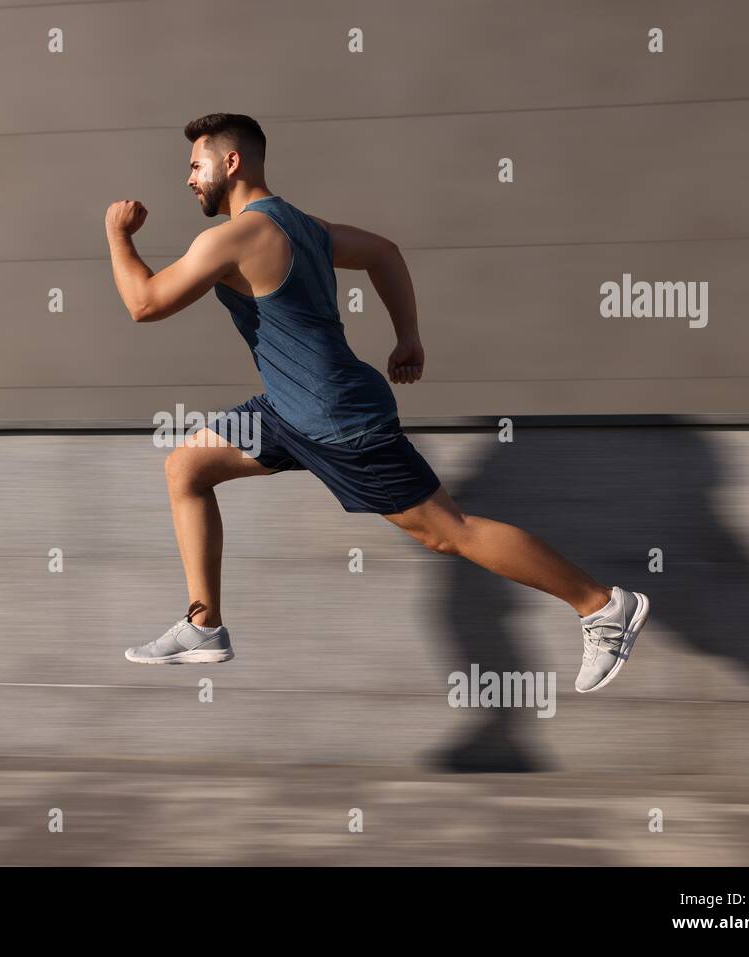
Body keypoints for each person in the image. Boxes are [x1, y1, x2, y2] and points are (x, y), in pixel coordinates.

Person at [105, 112, 649, 693]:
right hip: (289, 411)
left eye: (196, 164)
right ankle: (204, 626)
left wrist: (118, 234)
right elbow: (384, 252)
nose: (189, 178)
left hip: (336, 420)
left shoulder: (232, 237)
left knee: (448, 531)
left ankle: (601, 605)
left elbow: (145, 303)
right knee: (186, 466)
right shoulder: (302, 225)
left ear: (230, 162)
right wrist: (407, 336)